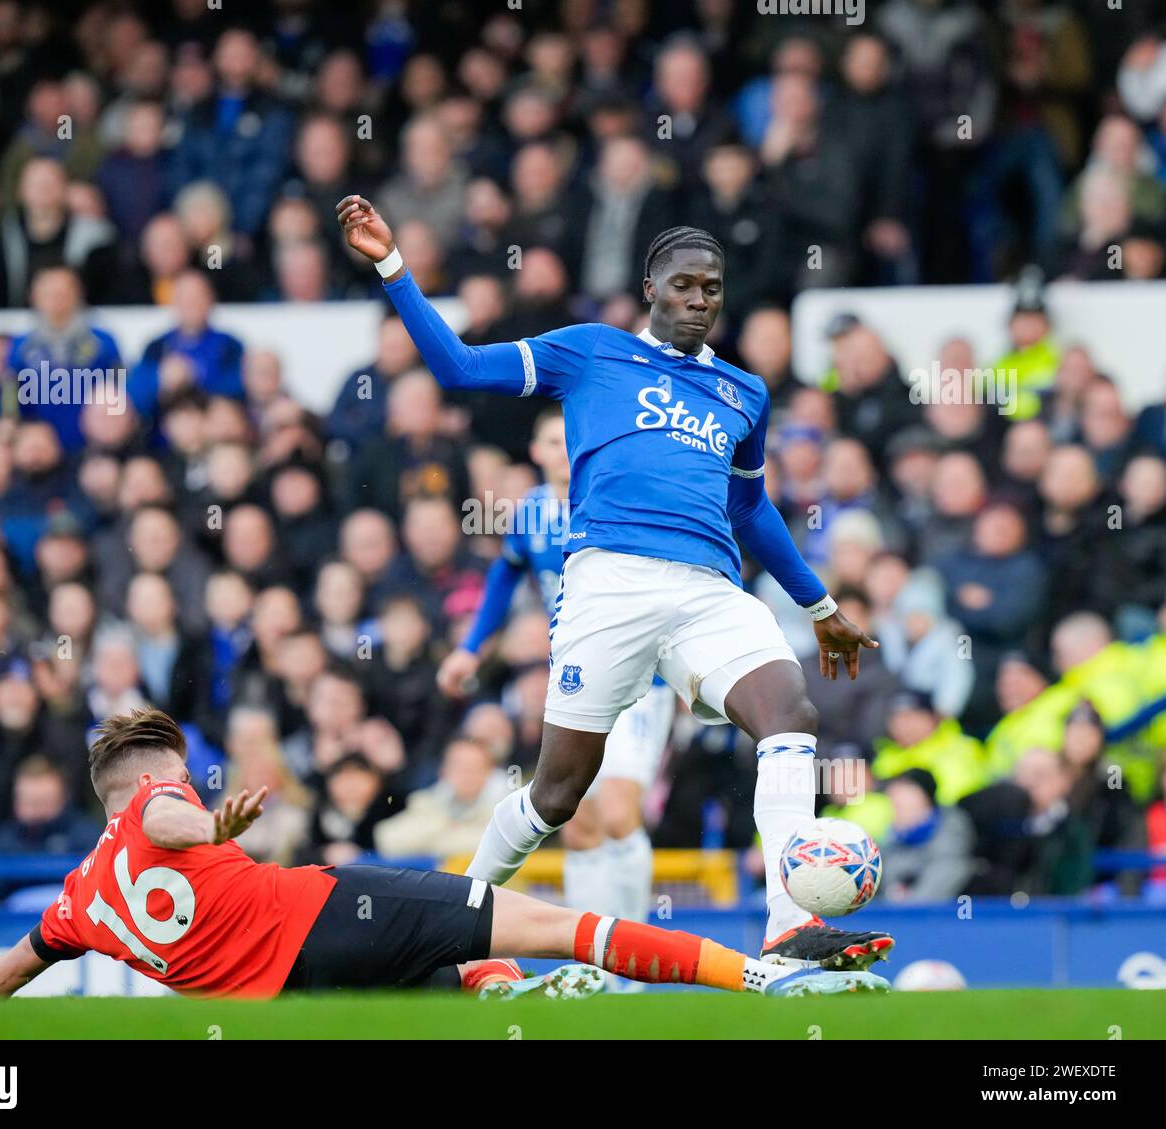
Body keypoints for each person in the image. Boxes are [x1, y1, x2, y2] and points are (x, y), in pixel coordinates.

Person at [338, 195, 894, 970]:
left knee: (789, 713)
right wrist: (393, 267)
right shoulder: (591, 352)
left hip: (708, 589)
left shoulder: (743, 393)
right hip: (609, 584)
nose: (699, 300)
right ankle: (451, 940)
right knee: (557, 795)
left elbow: (749, 506)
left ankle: (786, 920)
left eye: (712, 289)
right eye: (685, 285)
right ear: (650, 287)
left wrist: (820, 603)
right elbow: (458, 366)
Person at [0, 709, 887, 1000]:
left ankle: (503, 990)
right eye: (180, 772)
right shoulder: (159, 805)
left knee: (449, 977)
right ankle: (763, 978)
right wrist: (211, 826)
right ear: (146, 783)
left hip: (292, 995)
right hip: (327, 909)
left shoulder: (75, 901)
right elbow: (172, 823)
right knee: (558, 922)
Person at [438, 405, 675, 931]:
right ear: (536, 451)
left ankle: (636, 954)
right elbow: (503, 578)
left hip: (642, 679)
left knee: (617, 812)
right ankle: (595, 957)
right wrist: (470, 649)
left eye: (573, 439)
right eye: (552, 441)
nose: (564, 451)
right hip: (574, 680)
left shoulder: (619, 500)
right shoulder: (531, 513)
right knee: (579, 821)